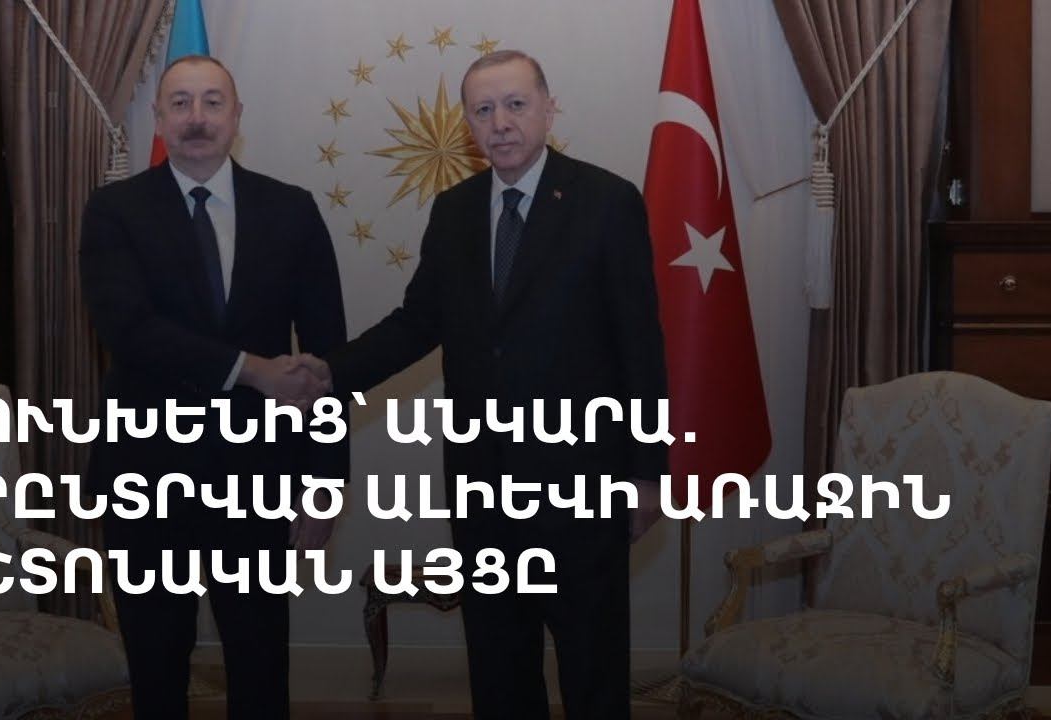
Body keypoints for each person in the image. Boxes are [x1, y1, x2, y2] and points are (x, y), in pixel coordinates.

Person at [296, 50, 667, 719]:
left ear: (549, 109)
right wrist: (331, 372)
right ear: (468, 124)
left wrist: (647, 472)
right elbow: (418, 322)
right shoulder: (455, 211)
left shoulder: (607, 202)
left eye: (516, 105)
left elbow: (640, 346)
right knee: (499, 673)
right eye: (484, 110)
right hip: (484, 487)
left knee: (592, 674)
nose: (501, 123)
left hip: (584, 486)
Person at [79, 55, 347, 719]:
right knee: (156, 667)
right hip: (145, 475)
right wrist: (252, 369)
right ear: (159, 118)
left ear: (237, 116)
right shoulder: (114, 211)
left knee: (260, 665)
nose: (196, 118)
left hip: (258, 478)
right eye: (180, 103)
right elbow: (128, 330)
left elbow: (326, 359)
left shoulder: (291, 210)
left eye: (212, 102)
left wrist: (325, 481)